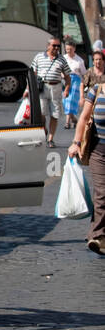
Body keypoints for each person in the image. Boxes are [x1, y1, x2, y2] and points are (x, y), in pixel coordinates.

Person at [68, 72, 105, 255]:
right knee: (102, 192)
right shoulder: (97, 90)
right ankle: (98, 237)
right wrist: (76, 143)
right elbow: (83, 118)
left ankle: (95, 231)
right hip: (99, 151)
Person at [32, 37, 72, 147]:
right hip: (42, 87)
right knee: (41, 114)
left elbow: (68, 77)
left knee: (55, 114)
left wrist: (67, 89)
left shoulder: (62, 59)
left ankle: (50, 139)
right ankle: (43, 129)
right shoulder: (39, 57)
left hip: (56, 88)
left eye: (58, 46)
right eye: (54, 45)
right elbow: (32, 74)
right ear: (48, 46)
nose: (56, 48)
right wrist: (28, 89)